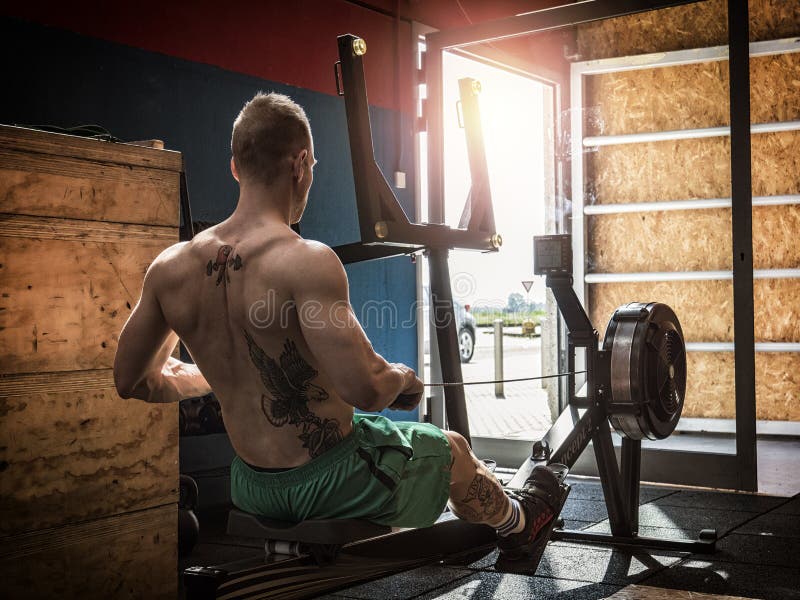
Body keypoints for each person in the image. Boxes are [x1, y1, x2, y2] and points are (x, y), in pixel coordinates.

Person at [113, 92, 565, 565]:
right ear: (301, 163)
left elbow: (133, 380)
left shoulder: (171, 267)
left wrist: (217, 374)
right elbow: (366, 389)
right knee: (450, 448)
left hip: (249, 483)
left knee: (375, 432)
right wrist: (403, 378)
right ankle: (521, 524)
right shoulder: (306, 260)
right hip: (332, 482)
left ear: (235, 167)